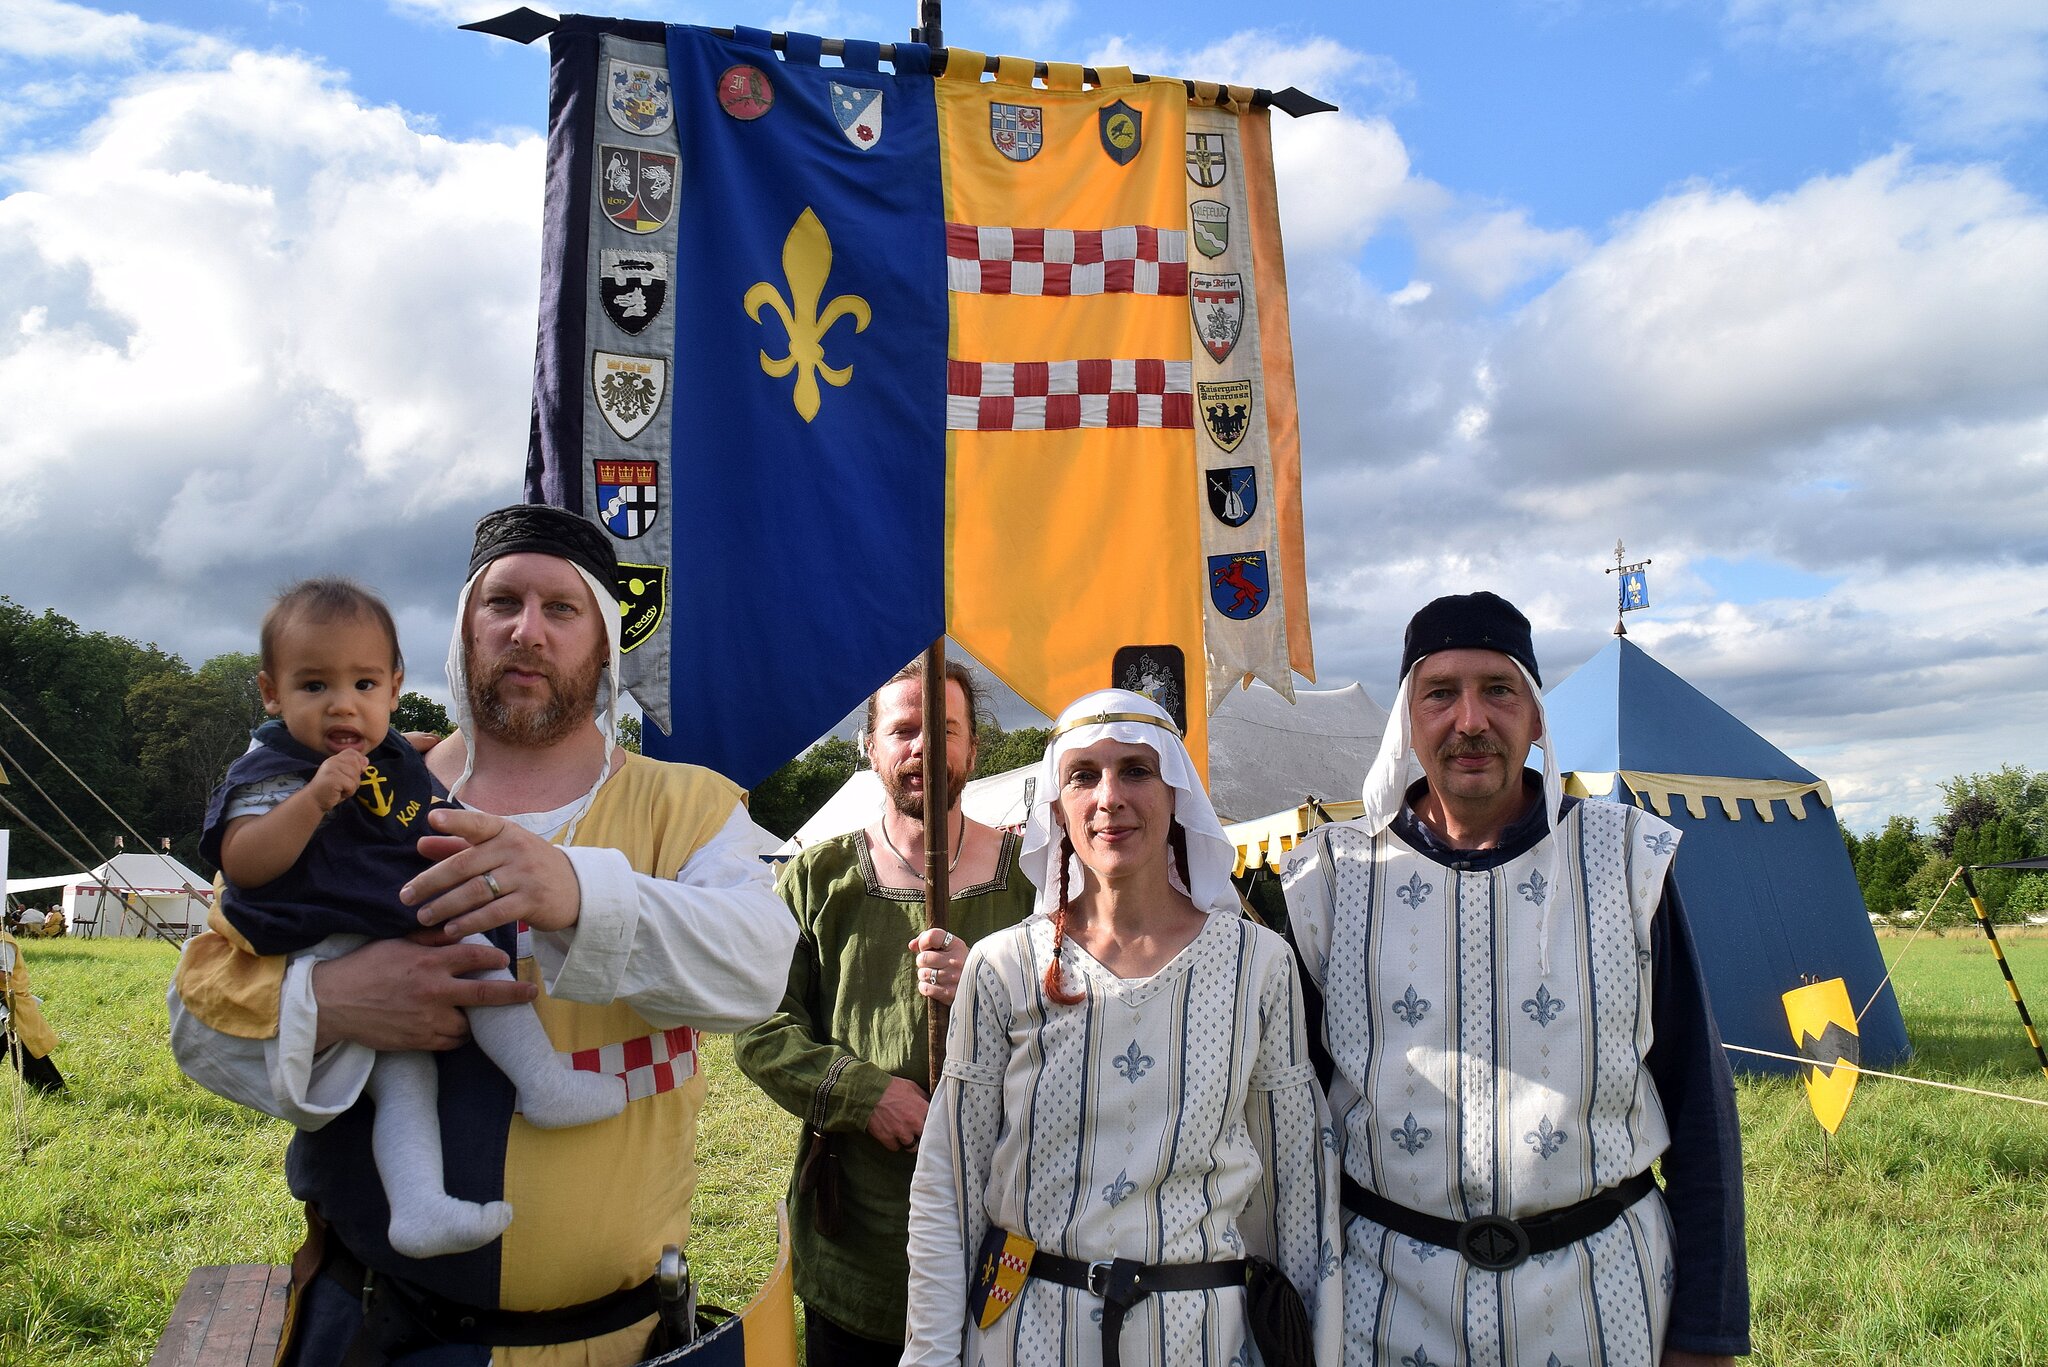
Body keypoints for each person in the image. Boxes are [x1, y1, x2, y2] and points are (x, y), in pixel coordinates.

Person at [169, 504, 799, 1367]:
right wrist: (334, 1001)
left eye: (562, 609)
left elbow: (758, 965)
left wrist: (574, 889)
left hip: (608, 1341)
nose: (527, 631)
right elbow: (197, 1015)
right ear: (464, 627)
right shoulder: (342, 789)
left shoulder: (689, 807)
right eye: (502, 603)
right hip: (379, 1326)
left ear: (606, 642)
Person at [1280, 592, 1749, 1366]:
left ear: (1535, 717)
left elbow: (1700, 1107)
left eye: (1498, 689)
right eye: (1440, 692)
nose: (1470, 720)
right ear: (1407, 719)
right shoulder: (1330, 881)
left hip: (1605, 1303)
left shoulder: (1626, 862)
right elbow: (1292, 1136)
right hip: (1388, 1309)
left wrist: (1705, 1334)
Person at [901, 688, 1342, 1367]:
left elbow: (1296, 1185)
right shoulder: (1002, 966)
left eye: (1135, 769)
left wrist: (1316, 1345)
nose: (1109, 796)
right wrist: (930, 1357)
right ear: (1057, 806)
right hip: (1027, 1335)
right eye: (1083, 774)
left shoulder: (1258, 964)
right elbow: (948, 1187)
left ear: (1176, 793)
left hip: (1200, 1338)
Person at [201, 578, 625, 1260]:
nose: (344, 704)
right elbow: (243, 861)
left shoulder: (387, 751)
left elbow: (392, 778)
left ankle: (421, 1205)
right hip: (326, 932)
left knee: (410, 1070)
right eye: (314, 687)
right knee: (474, 955)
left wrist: (400, 753)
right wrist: (312, 800)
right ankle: (540, 1083)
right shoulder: (273, 769)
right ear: (271, 693)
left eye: (365, 685)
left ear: (395, 687)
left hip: (380, 921)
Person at [734, 658, 1035, 1366]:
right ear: (869, 746)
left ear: (973, 748)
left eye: (946, 729)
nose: (925, 747)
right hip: (861, 1240)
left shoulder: (1030, 877)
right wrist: (865, 1094)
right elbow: (757, 1022)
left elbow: (1087, 1020)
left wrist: (990, 987)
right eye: (904, 729)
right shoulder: (819, 876)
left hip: (1007, 1226)